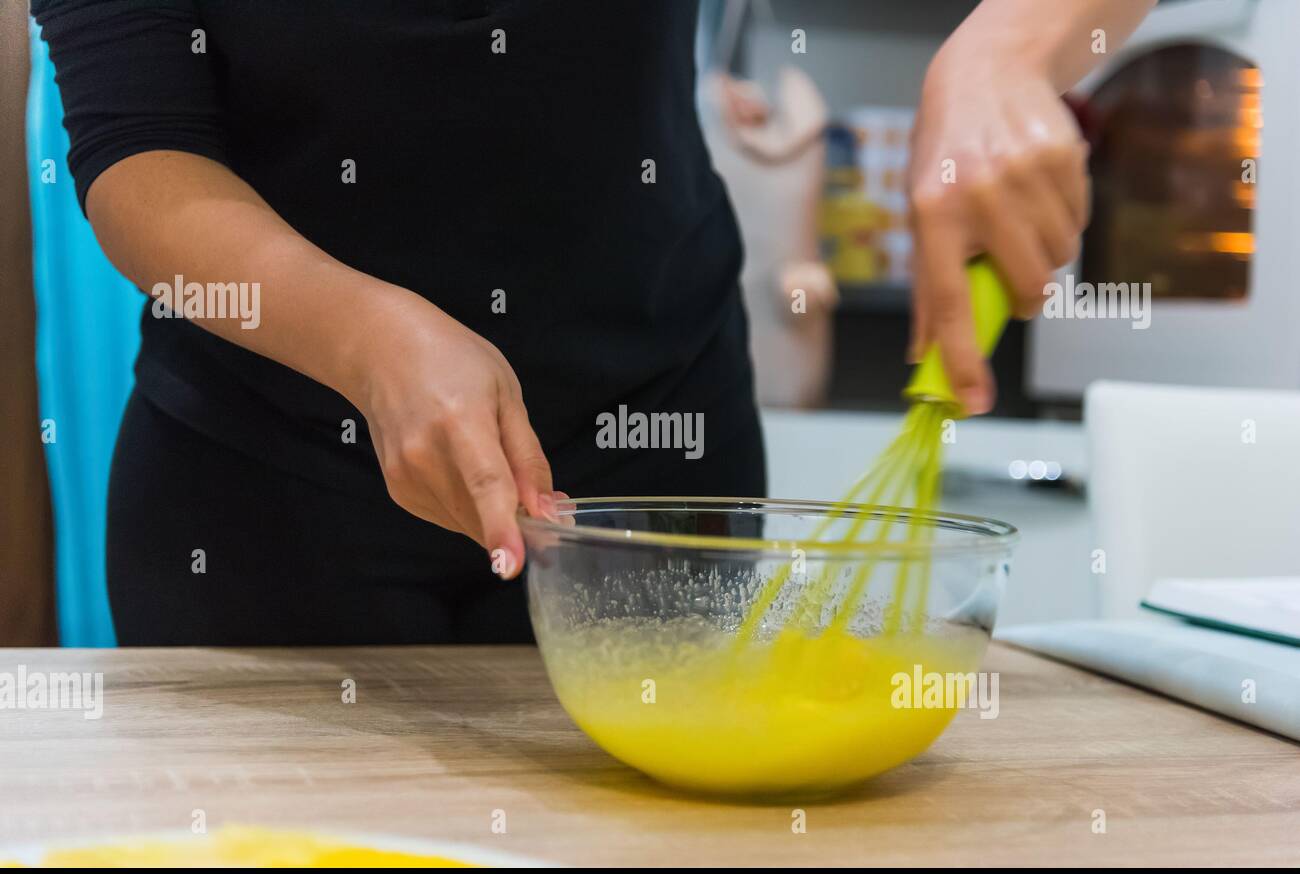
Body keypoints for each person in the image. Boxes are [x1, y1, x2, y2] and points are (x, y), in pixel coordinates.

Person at [32, 0, 1153, 646]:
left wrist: (1008, 49)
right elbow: (140, 148)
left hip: (656, 446)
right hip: (263, 477)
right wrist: (367, 340)